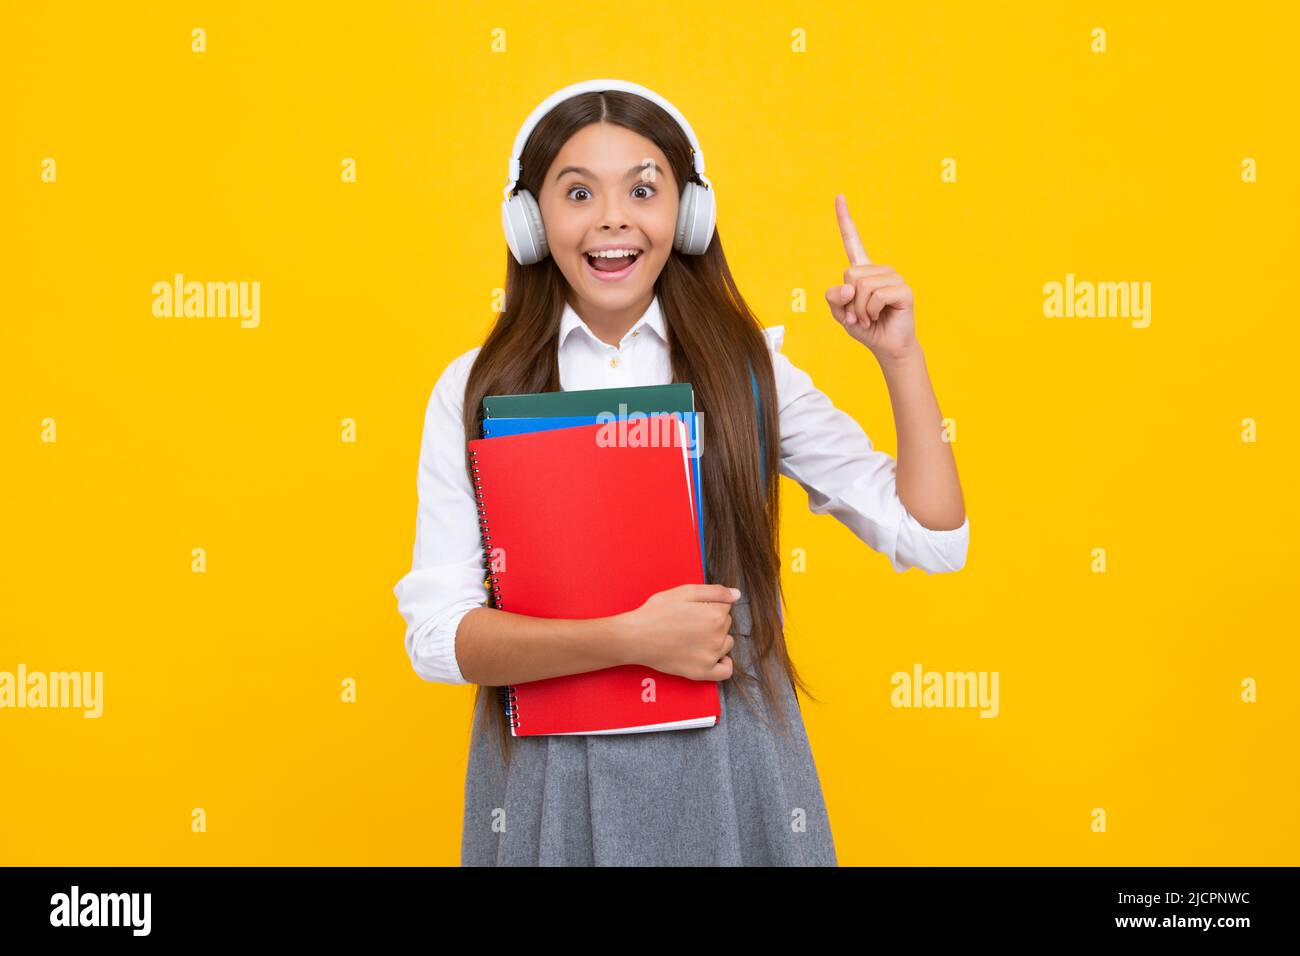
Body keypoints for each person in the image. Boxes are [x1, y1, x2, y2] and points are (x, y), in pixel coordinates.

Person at [393, 79, 970, 866]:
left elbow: (933, 538)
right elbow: (436, 638)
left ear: (687, 213)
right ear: (530, 222)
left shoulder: (749, 369)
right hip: (548, 777)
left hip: (734, 772)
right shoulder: (474, 387)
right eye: (576, 192)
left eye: (642, 188)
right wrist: (630, 638)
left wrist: (900, 357)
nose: (611, 219)